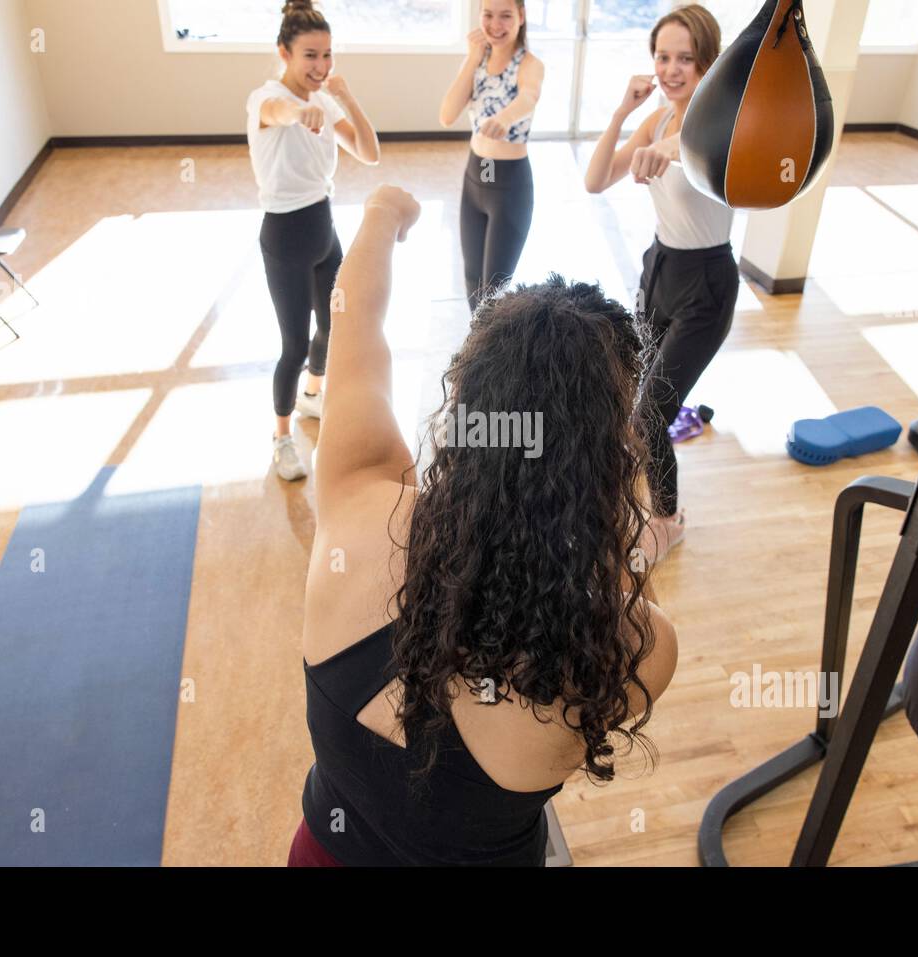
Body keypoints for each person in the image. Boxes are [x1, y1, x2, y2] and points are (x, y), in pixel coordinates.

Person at [288, 184, 678, 866]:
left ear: (468, 409)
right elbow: (606, 581)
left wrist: (383, 215)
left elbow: (353, 325)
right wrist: (605, 518)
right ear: (607, 463)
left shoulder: (359, 503)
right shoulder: (632, 644)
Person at [584, 4, 739, 564]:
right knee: (633, 395)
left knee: (652, 411)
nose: (672, 69)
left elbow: (699, 148)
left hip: (707, 285)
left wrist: (668, 149)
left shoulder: (721, 123)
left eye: (686, 59)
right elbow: (595, 180)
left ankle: (668, 519)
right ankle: (636, 482)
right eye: (663, 56)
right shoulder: (658, 120)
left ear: (708, 64)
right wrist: (624, 114)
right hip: (660, 272)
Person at [247, 0, 380, 481]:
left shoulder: (324, 98)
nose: (321, 67)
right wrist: (300, 110)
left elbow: (369, 153)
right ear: (283, 52)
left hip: (324, 230)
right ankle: (282, 438)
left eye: (327, 55)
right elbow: (278, 110)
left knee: (334, 325)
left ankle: (311, 396)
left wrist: (346, 99)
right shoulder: (266, 98)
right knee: (294, 345)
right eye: (310, 56)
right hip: (284, 235)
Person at [439, 0, 545, 312]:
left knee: (494, 289)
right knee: (472, 281)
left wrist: (504, 117)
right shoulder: (476, 60)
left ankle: (492, 355)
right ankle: (477, 351)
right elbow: (446, 116)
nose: (495, 25)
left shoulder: (530, 64)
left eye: (505, 16)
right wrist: (472, 59)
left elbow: (529, 96)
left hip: (509, 184)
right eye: (488, 15)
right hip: (478, 174)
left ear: (521, 17)